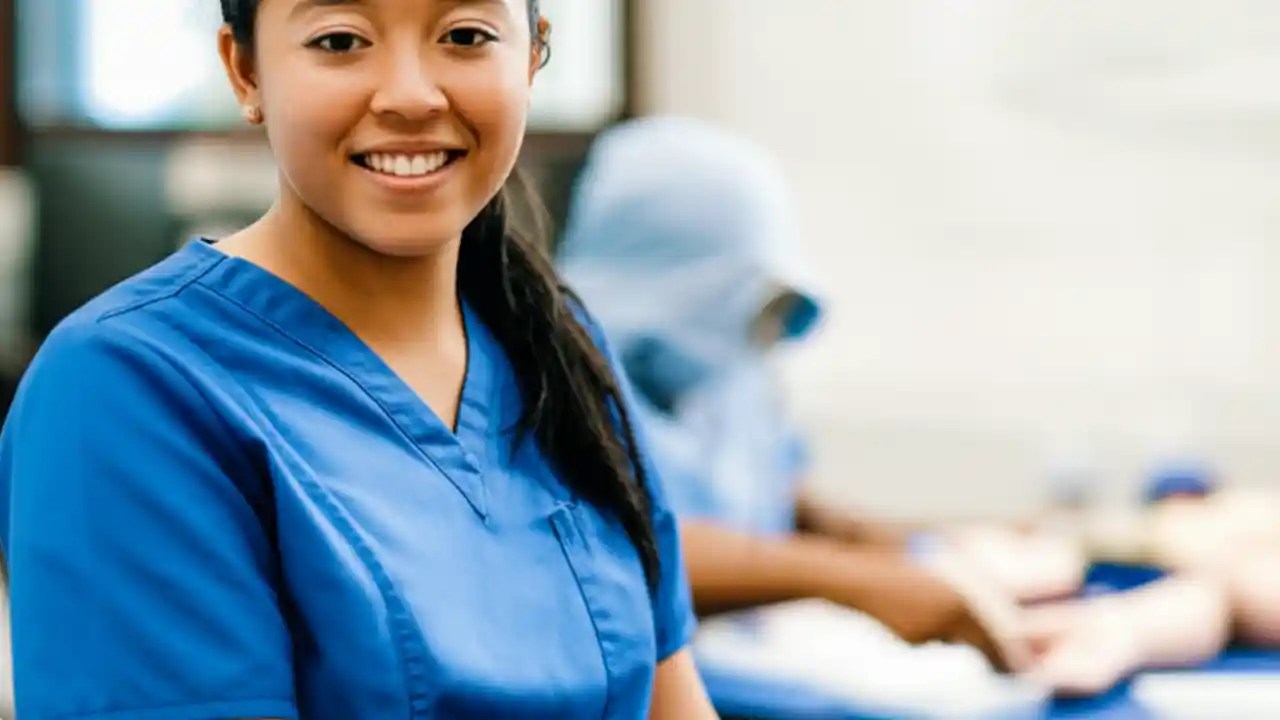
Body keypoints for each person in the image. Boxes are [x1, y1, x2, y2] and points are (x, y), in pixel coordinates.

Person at [0, 2, 716, 718]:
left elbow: (671, 698)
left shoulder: (556, 345)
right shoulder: (123, 390)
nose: (410, 94)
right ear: (246, 71)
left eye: (465, 36)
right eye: (340, 40)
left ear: (532, 59)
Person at [557, 117, 1036, 672]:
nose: (758, 331)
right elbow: (609, 542)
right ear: (674, 272)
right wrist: (852, 579)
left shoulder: (732, 369)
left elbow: (769, 489)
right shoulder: (549, 377)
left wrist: (916, 553)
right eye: (734, 297)